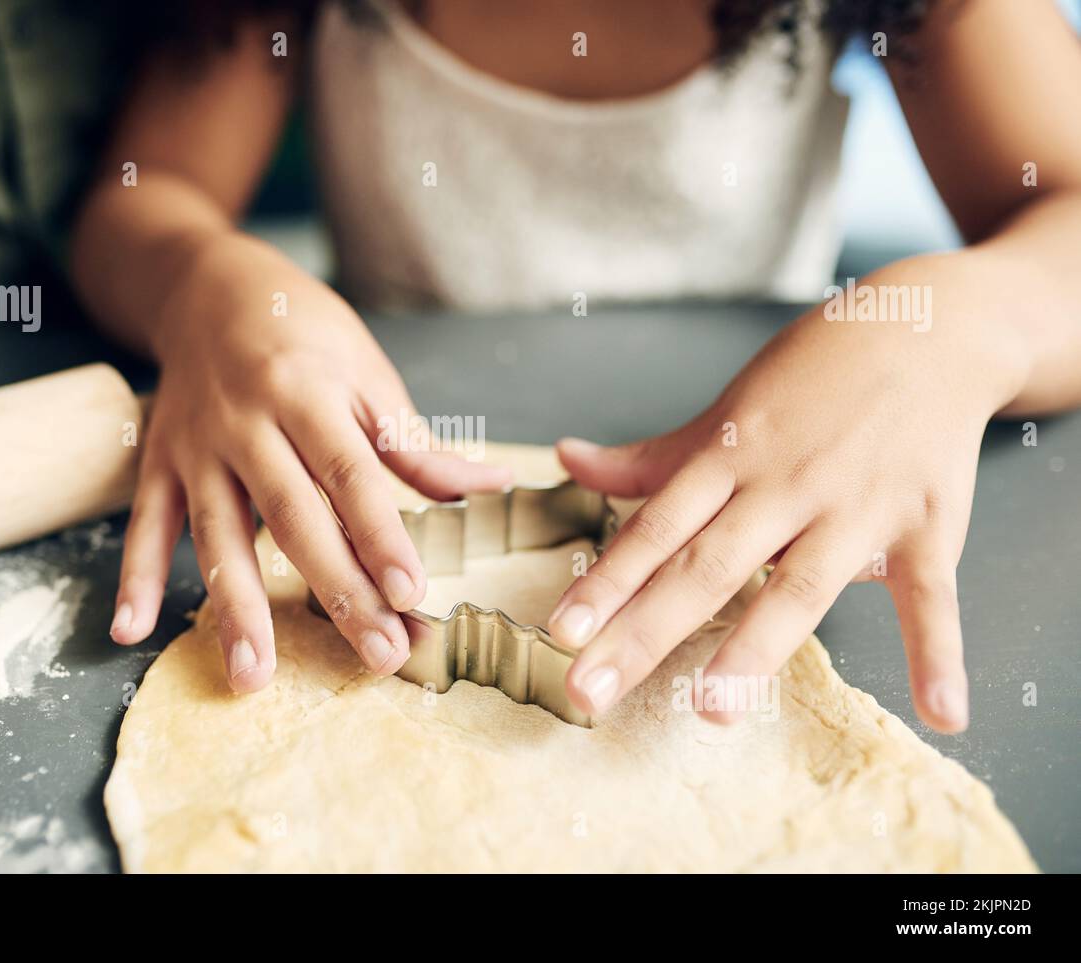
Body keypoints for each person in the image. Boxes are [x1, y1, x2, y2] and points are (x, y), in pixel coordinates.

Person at [71, 0, 1081, 733]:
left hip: (780, 467)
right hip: (405, 445)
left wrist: (953, 324)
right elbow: (142, 193)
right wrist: (205, 283)